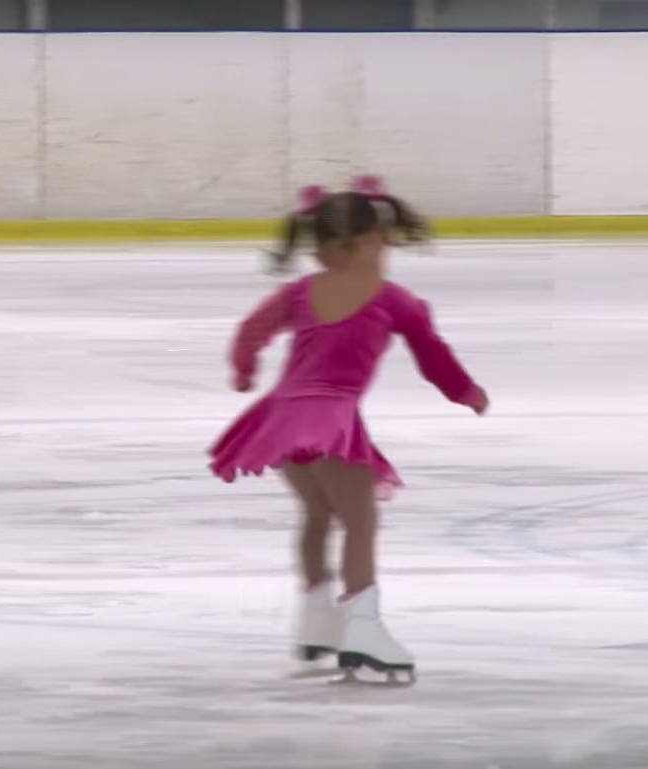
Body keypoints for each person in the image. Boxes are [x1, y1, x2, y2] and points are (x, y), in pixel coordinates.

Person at [209, 181, 488, 683]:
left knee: (317, 512)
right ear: (371, 241)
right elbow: (434, 358)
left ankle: (317, 619)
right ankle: (363, 626)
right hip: (329, 417)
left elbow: (250, 331)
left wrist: (244, 372)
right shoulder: (395, 300)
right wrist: (466, 392)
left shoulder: (298, 292)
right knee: (360, 522)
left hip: (281, 416)